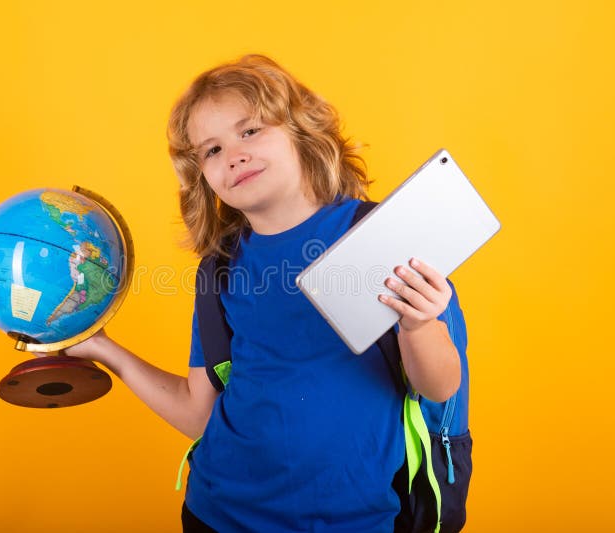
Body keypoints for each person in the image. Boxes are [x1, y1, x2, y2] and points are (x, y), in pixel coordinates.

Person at [63, 54, 462, 532]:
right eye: (211, 150)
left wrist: (419, 323)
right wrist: (107, 350)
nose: (233, 155)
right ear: (201, 176)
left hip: (356, 522)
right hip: (218, 515)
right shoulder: (221, 268)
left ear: (302, 131)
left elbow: (438, 387)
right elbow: (200, 413)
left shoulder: (385, 239)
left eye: (249, 131)